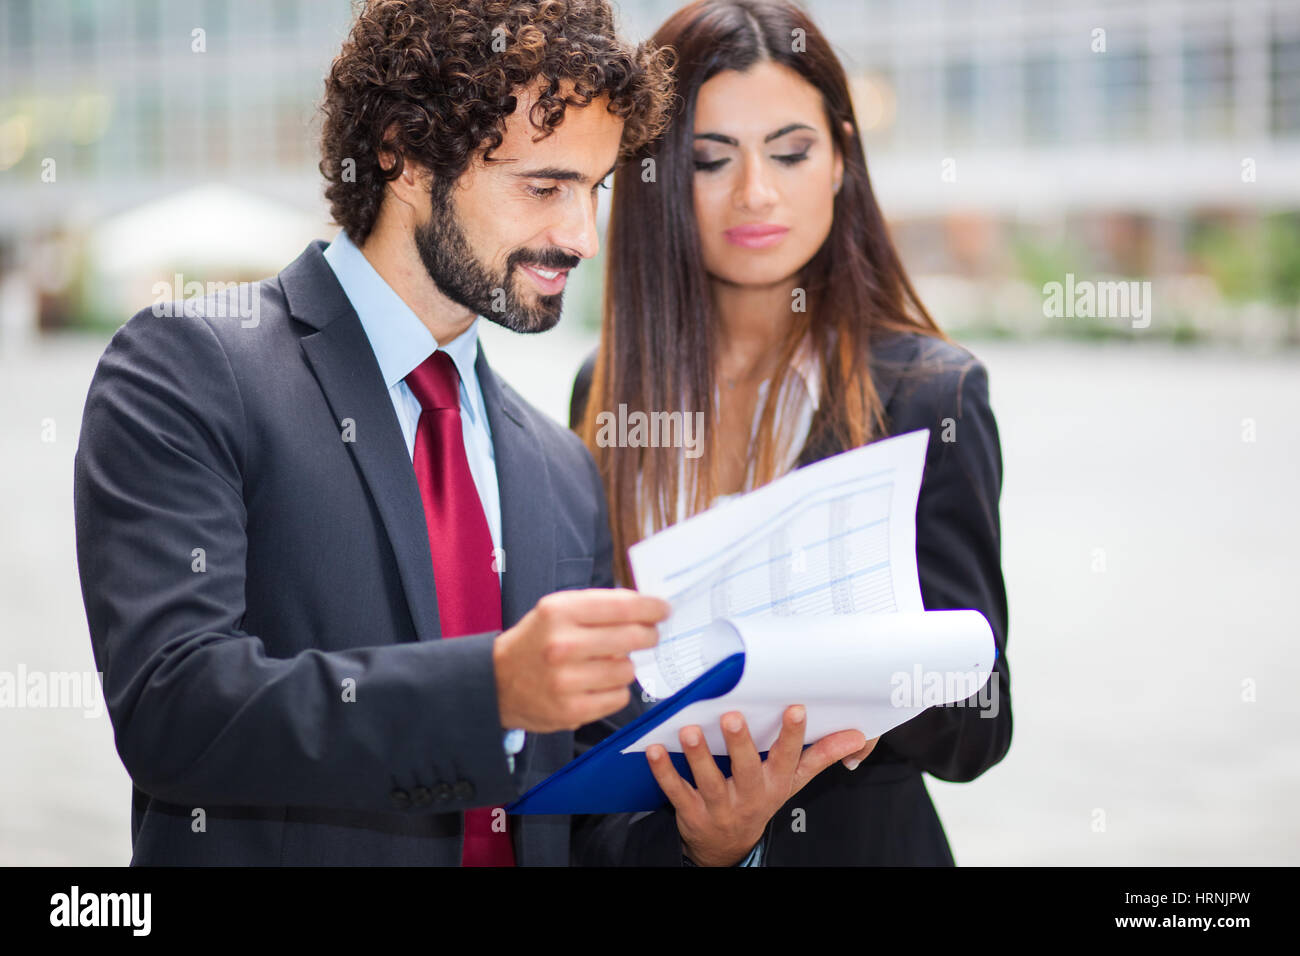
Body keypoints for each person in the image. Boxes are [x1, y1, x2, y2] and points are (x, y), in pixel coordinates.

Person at [72, 0, 866, 867]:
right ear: (403, 156)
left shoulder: (560, 466)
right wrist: (489, 691)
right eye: (544, 186)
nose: (582, 237)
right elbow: (173, 709)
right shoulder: (191, 369)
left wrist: (707, 840)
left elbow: (580, 825)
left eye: (594, 190)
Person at [571, 0, 1012, 865]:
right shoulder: (606, 389)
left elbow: (979, 728)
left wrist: (840, 681)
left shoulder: (929, 395)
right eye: (709, 159)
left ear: (842, 156)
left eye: (791, 151)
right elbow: (601, 716)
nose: (756, 194)